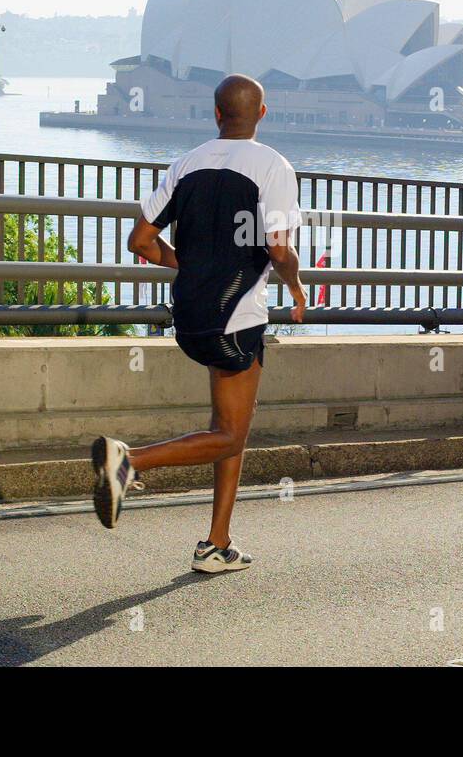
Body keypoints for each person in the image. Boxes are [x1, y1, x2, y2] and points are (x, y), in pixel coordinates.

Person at [94, 74, 307, 573]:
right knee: (232, 436)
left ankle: (216, 544)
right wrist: (296, 287)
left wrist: (188, 268)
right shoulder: (274, 165)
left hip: (189, 314)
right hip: (238, 318)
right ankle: (128, 463)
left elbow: (141, 241)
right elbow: (279, 249)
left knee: (228, 429)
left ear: (215, 114)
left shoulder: (186, 163)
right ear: (262, 112)